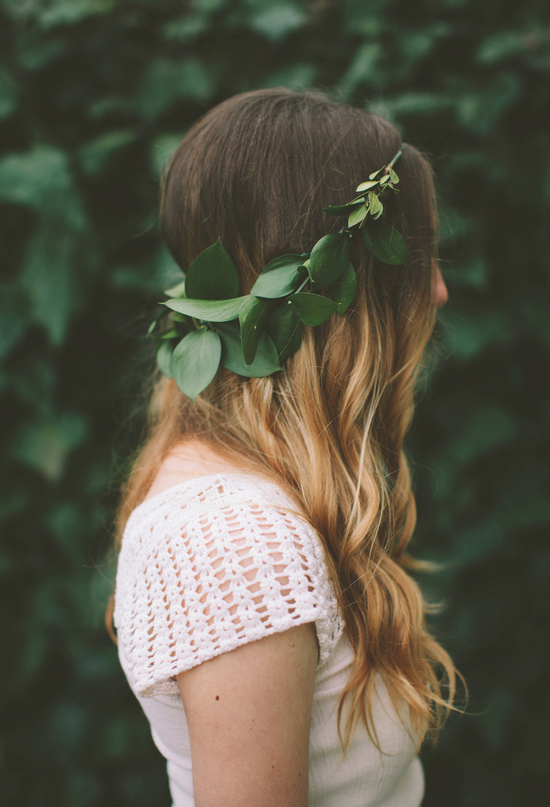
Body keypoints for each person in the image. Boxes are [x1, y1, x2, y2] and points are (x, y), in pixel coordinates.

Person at [109, 88, 457, 807]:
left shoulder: (263, 488)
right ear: (341, 293)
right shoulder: (233, 541)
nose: (441, 289)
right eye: (418, 258)